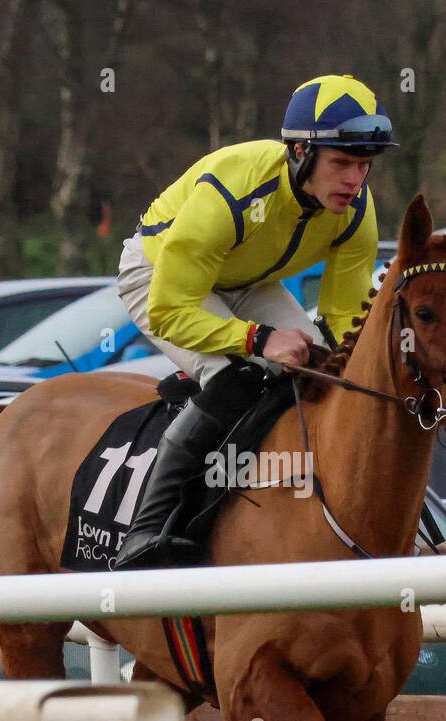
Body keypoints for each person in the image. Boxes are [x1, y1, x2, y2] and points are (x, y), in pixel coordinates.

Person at [112, 72, 396, 570]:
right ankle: (147, 530)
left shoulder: (355, 212)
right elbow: (170, 310)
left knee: (316, 371)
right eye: (342, 163)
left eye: (365, 165)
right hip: (160, 278)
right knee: (231, 377)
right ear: (299, 152)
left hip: (248, 281)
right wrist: (257, 339)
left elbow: (346, 317)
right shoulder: (233, 189)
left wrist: (345, 360)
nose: (355, 180)